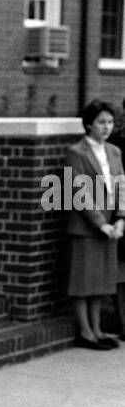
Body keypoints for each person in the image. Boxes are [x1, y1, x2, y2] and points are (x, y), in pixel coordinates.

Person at [63, 99, 125, 349]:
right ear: (89, 124)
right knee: (83, 280)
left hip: (111, 224)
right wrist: (100, 223)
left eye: (110, 122)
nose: (106, 127)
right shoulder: (76, 152)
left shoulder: (114, 151)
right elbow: (78, 192)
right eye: (101, 122)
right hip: (86, 226)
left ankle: (98, 329)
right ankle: (85, 331)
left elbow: (121, 185)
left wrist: (121, 218)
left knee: (101, 280)